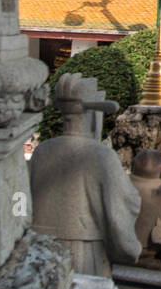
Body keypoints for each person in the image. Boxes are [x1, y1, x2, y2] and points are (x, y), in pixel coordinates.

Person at [28, 74, 141, 276]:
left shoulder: (41, 151)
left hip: (39, 249)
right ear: (93, 116)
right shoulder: (101, 155)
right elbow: (120, 205)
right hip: (84, 251)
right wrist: (129, 248)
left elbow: (18, 198)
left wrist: (23, 230)